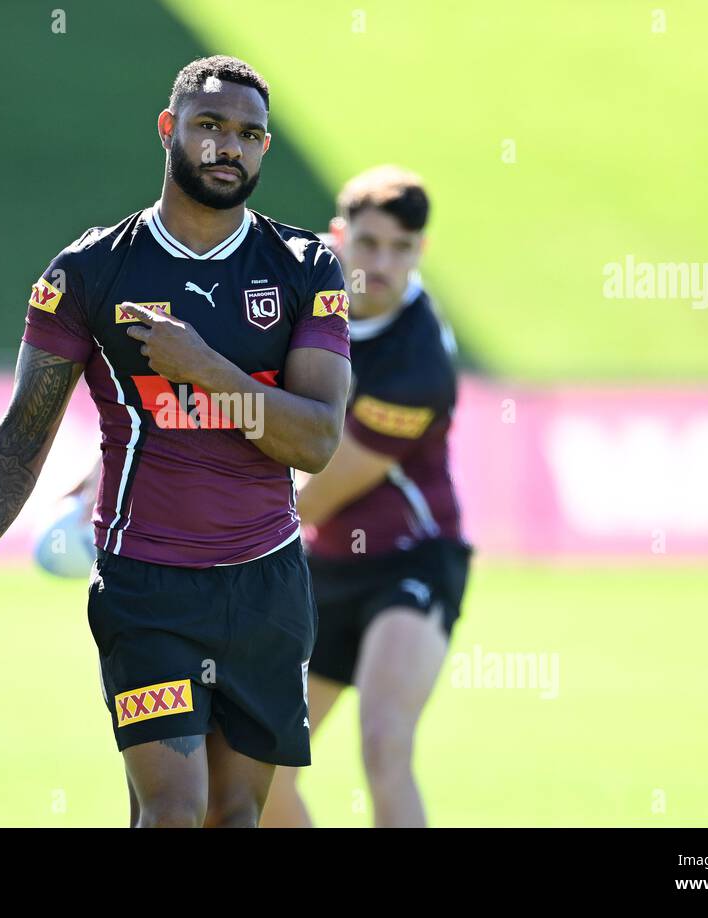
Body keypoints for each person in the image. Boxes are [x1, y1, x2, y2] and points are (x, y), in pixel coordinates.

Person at [0, 56, 351, 828]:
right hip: (148, 587)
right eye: (209, 126)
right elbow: (21, 437)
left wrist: (201, 366)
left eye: (248, 134)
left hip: (268, 586)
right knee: (173, 810)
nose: (227, 147)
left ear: (265, 149)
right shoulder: (91, 272)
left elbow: (314, 439)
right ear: (170, 130)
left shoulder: (307, 268)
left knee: (235, 816)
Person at [261, 166, 470, 828]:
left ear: (420, 252)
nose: (382, 264)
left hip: (411, 561)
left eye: (401, 249)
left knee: (384, 745)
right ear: (339, 236)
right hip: (322, 572)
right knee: (254, 772)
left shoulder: (418, 363)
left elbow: (317, 495)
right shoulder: (296, 292)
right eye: (370, 244)